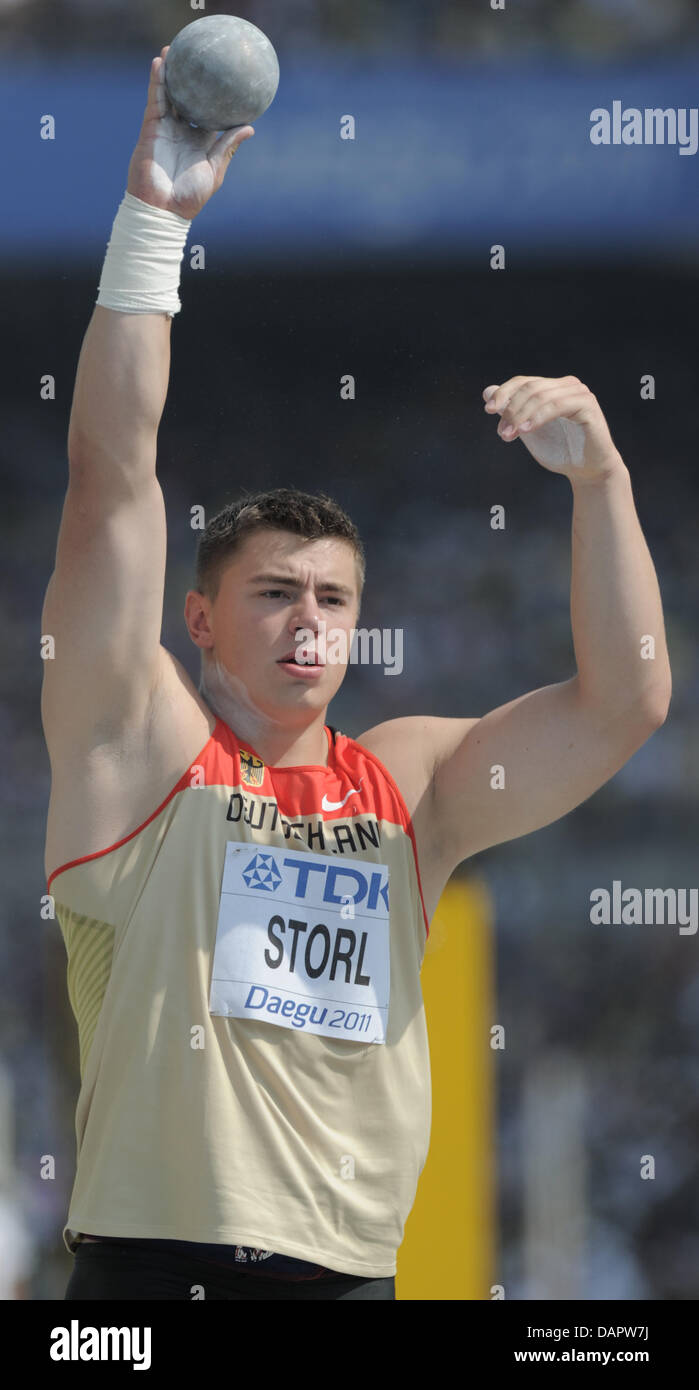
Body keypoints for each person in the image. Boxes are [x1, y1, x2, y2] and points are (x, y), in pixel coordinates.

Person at [42, 49, 671, 1301]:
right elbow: (114, 477)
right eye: (274, 594)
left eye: (334, 598)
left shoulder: (408, 786)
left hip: (353, 1281)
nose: (309, 624)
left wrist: (603, 483)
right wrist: (152, 227)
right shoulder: (143, 745)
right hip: (152, 1281)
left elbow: (625, 703)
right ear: (202, 620)